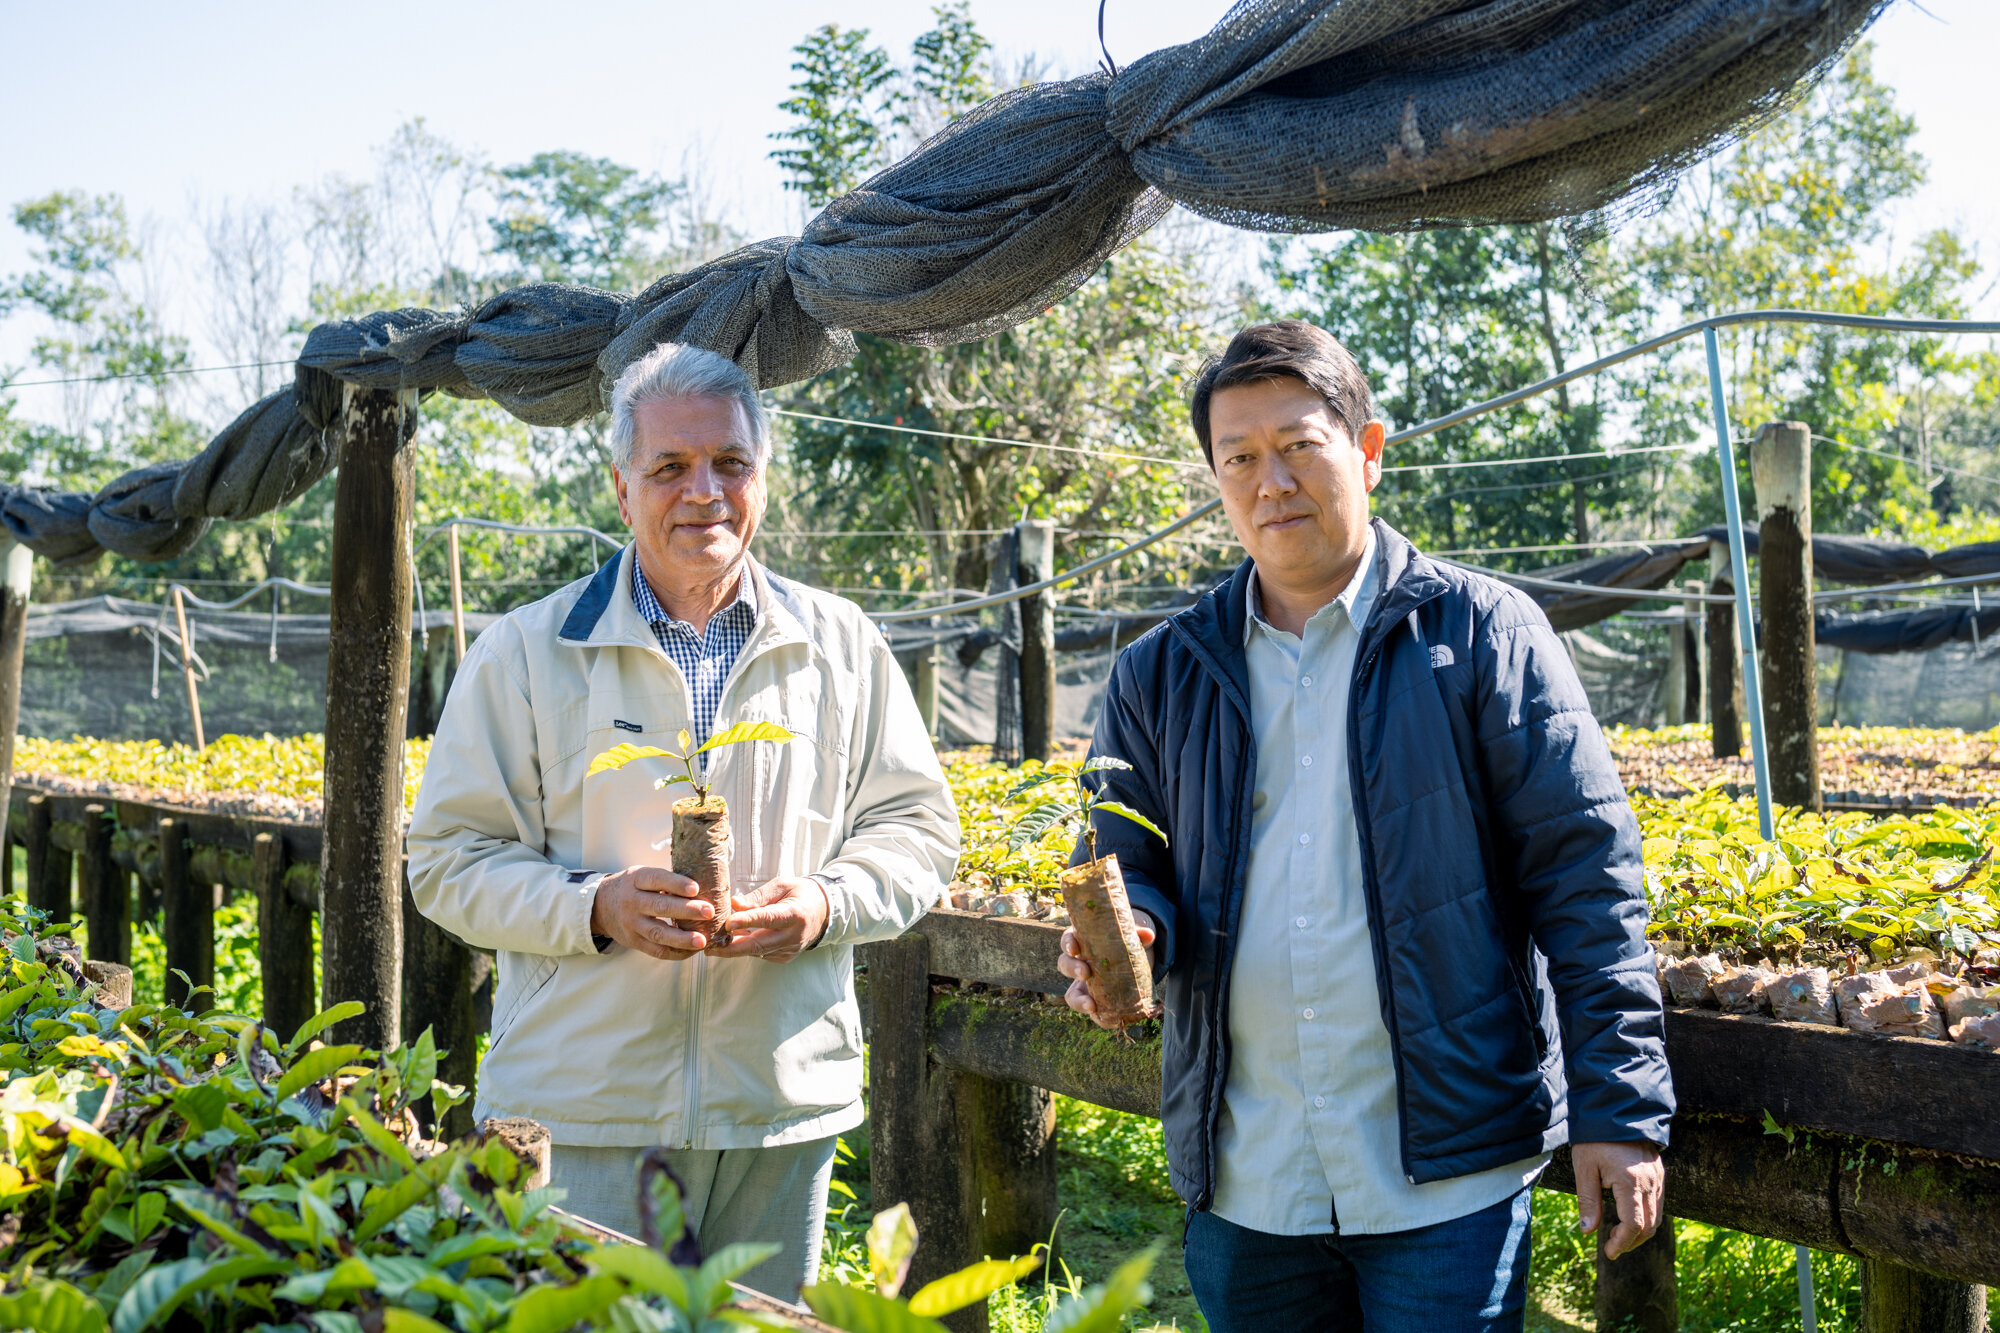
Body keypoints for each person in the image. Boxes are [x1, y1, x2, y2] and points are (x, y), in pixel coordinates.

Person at [1056, 321, 1673, 1332]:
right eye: (1239, 457)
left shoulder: (1482, 633)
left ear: (1368, 450)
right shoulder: (1159, 671)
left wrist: (1620, 1109)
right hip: (1249, 1177)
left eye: (1300, 445)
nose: (1272, 482)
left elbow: (1586, 880)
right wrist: (1137, 932)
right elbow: (1125, 860)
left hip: (1445, 1182)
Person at [408, 341, 958, 1299]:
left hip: (776, 1111)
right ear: (623, 492)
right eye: (669, 466)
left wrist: (825, 904)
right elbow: (448, 859)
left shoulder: (843, 647)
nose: (704, 491)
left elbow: (917, 829)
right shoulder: (527, 652)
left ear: (762, 478)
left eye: (730, 462)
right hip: (582, 1113)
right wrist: (595, 907)